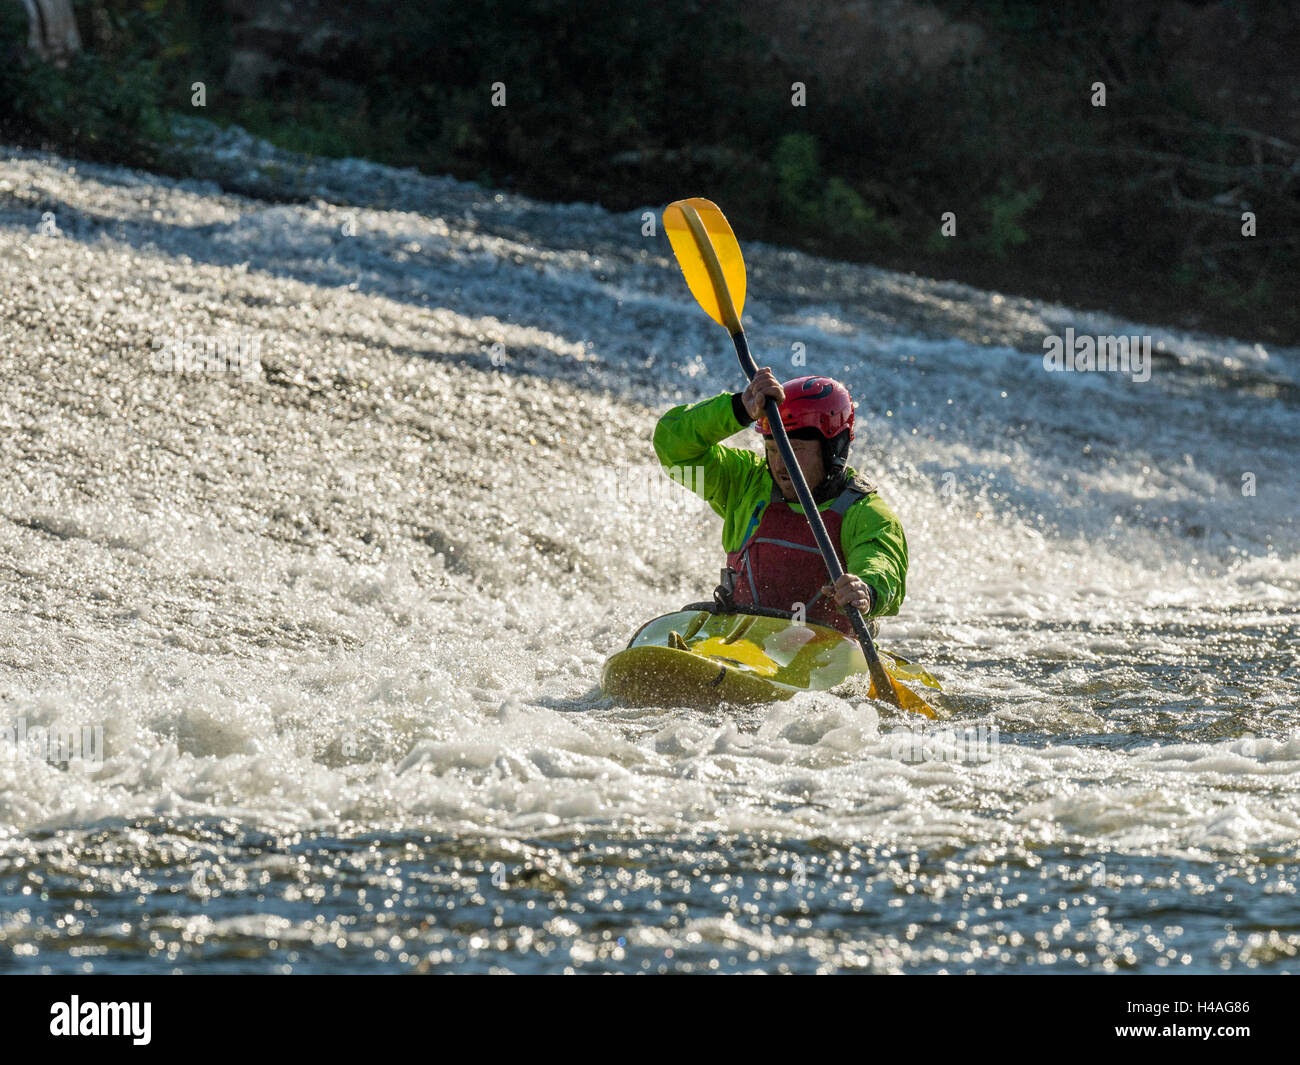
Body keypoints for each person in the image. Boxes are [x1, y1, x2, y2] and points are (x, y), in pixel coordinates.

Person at [653, 369, 907, 636]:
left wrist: (866, 589)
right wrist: (738, 408)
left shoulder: (867, 513)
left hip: (826, 658)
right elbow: (673, 445)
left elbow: (881, 563)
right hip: (740, 644)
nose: (780, 463)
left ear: (834, 450)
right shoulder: (746, 482)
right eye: (772, 449)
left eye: (794, 450)